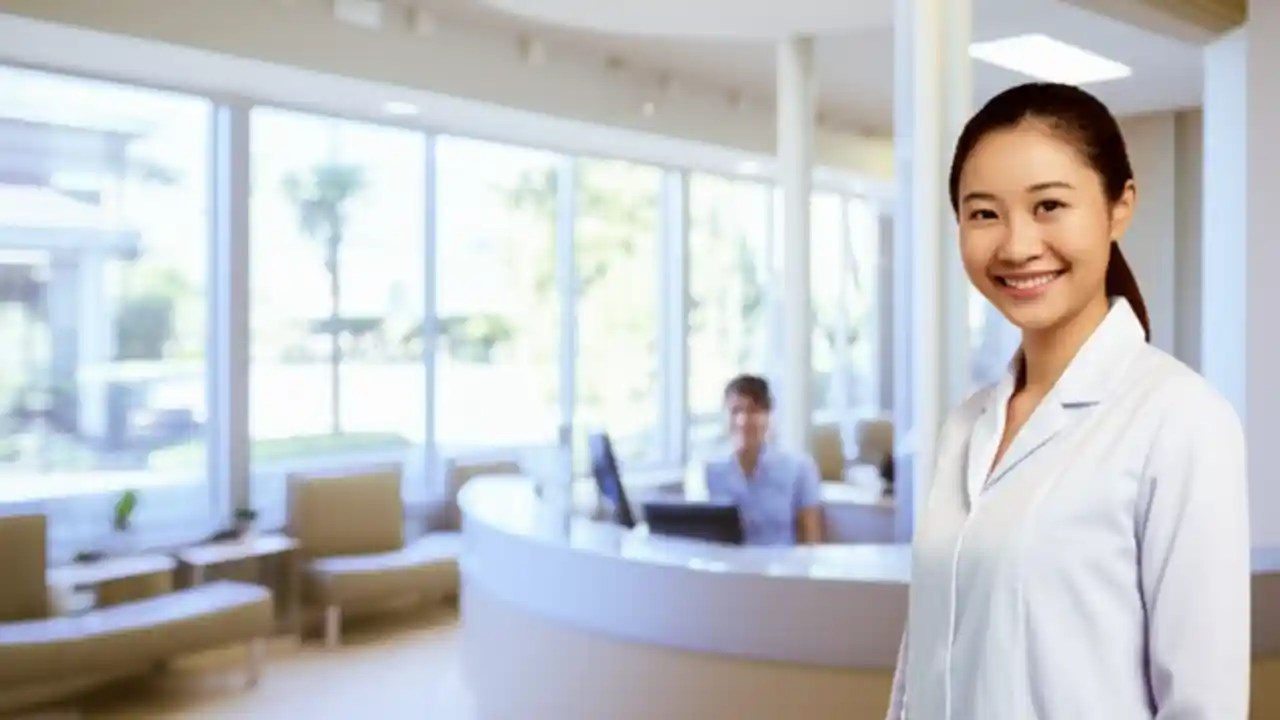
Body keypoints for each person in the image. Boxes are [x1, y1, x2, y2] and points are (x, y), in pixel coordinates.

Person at [887, 82, 1249, 719]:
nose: (1017, 245)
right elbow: (920, 672)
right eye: (983, 213)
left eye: (1049, 205)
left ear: (1119, 207)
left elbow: (1204, 705)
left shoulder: (1181, 421)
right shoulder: (965, 425)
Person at [704, 374, 823, 545]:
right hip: (729, 568)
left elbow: (811, 542)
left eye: (753, 411)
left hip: (782, 568)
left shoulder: (799, 468)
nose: (743, 421)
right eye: (735, 411)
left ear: (768, 417)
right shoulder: (708, 470)